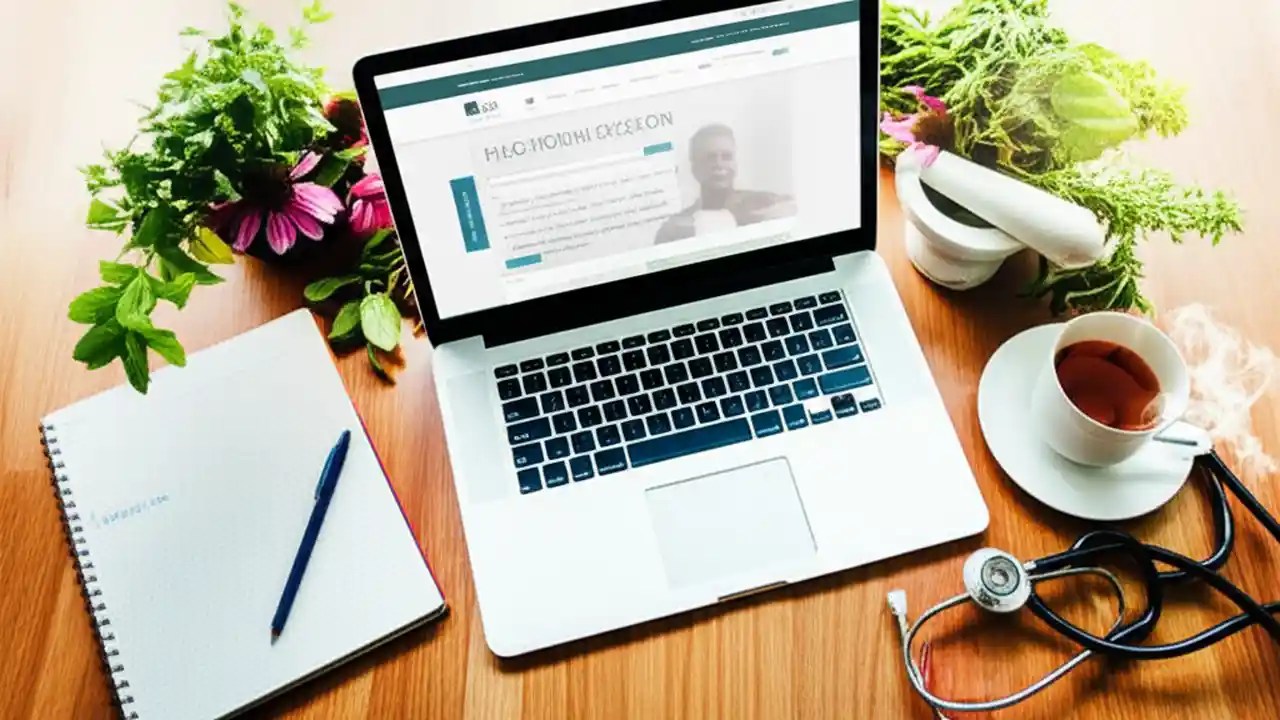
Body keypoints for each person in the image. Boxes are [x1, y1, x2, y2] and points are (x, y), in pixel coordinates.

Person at [655, 123, 796, 244]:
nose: (719, 164)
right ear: (694, 168)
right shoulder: (674, 230)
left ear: (735, 163)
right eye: (710, 158)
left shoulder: (768, 204)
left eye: (727, 157)